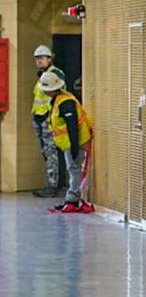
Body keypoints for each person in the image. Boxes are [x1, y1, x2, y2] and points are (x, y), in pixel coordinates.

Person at [39, 71, 93, 212]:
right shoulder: (58, 100)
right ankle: (72, 198)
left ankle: (72, 200)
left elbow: (72, 125)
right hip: (68, 142)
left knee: (74, 170)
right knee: (73, 169)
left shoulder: (66, 102)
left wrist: (75, 146)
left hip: (75, 141)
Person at [30, 45, 65, 198]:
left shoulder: (55, 74)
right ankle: (51, 183)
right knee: (47, 152)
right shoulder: (43, 76)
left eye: (42, 58)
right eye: (37, 58)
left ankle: (53, 185)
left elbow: (58, 95)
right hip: (39, 118)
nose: (39, 61)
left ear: (50, 58)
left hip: (48, 119)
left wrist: (49, 117)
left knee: (52, 153)